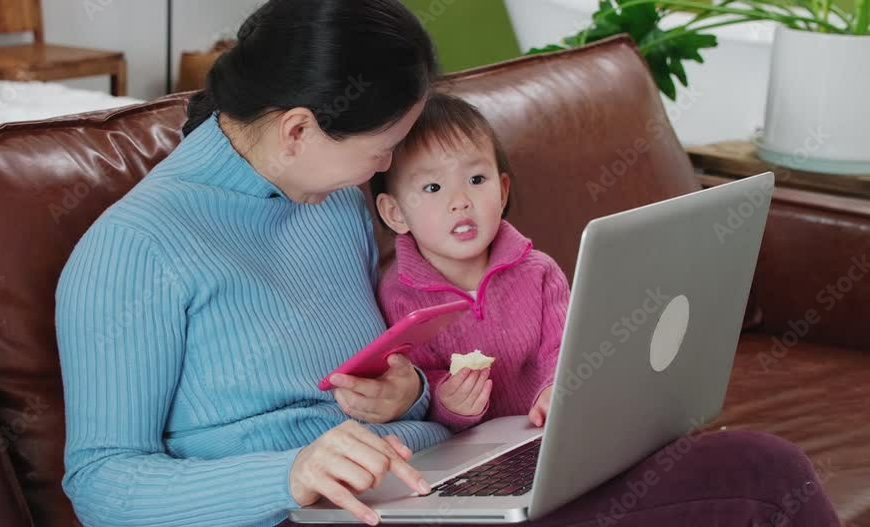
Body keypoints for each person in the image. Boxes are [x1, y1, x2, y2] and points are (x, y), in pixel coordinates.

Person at [54, 1, 841, 526]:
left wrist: (414, 387)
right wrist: (289, 473)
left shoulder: (329, 201)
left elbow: (397, 356)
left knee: (758, 468)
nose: (384, 173)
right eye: (382, 150)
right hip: (314, 512)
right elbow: (100, 480)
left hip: (438, 481)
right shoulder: (133, 251)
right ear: (297, 130)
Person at [369, 92, 567, 432]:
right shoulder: (398, 296)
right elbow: (413, 382)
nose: (460, 201)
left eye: (476, 180)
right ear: (396, 213)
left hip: (550, 432)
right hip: (471, 455)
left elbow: (564, 349)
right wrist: (448, 402)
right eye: (432, 187)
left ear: (502, 192)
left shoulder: (539, 272)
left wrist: (556, 390)